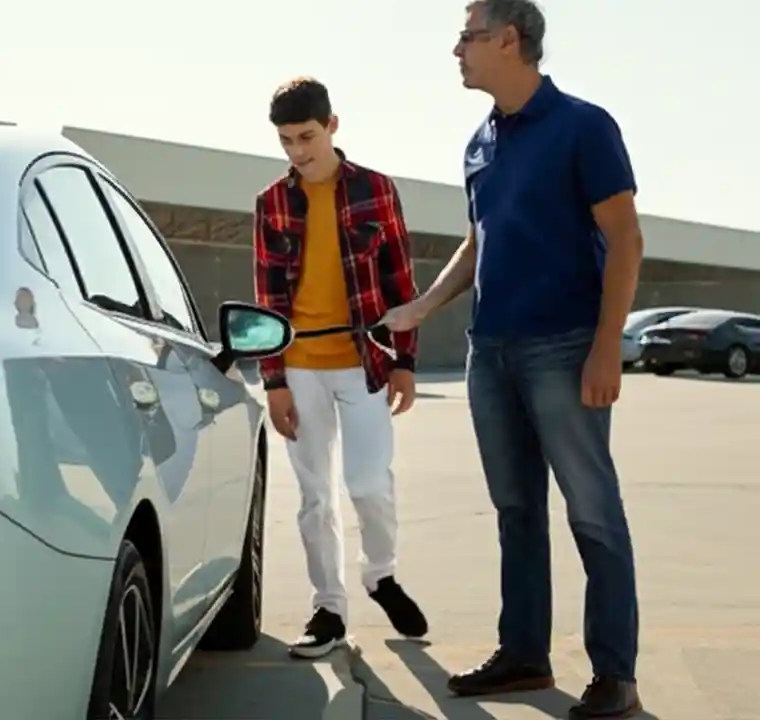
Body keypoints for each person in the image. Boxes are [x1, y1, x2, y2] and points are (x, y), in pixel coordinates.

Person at [379, 2, 644, 717]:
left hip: (564, 347)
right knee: (515, 509)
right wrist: (421, 308)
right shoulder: (479, 142)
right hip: (488, 350)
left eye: (466, 36)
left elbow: (625, 240)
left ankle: (615, 675)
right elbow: (478, 243)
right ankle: (524, 653)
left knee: (592, 511)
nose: (455, 50)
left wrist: (604, 348)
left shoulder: (585, 127)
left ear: (508, 40)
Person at [253, 77, 428, 659]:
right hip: (299, 367)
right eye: (285, 141)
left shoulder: (376, 192)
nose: (298, 150)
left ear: (332, 125)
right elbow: (268, 299)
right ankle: (328, 609)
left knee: (369, 484)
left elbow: (401, 280)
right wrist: (273, 380)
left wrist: (406, 361)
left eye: (306, 136)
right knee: (314, 498)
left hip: (364, 362)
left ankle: (380, 574)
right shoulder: (271, 203)